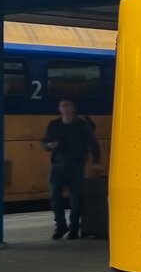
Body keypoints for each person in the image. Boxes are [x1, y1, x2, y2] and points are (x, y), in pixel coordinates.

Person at [41, 99, 101, 240]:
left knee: (76, 199)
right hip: (57, 166)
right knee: (54, 197)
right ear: (59, 108)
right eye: (63, 105)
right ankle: (61, 226)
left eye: (68, 105)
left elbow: (93, 144)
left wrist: (96, 162)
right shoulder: (54, 125)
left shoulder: (81, 125)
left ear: (73, 108)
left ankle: (74, 227)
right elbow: (45, 143)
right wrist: (50, 145)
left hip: (76, 166)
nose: (65, 108)